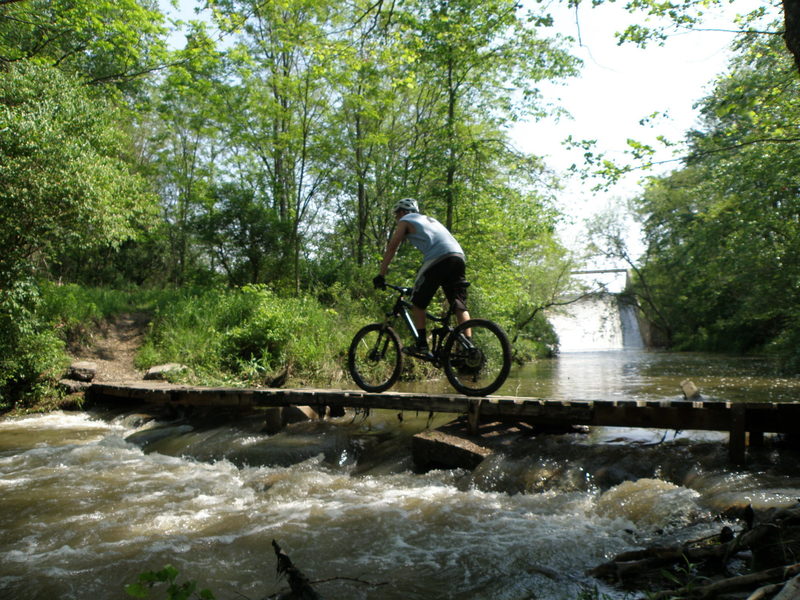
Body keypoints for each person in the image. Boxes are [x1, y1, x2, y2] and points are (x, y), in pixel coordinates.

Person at [373, 197, 471, 358]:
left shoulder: (406, 220)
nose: (397, 218)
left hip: (439, 258)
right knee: (459, 305)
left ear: (403, 212)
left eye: (397, 215)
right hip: (458, 257)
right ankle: (468, 347)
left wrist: (381, 275)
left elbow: (392, 247)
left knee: (417, 303)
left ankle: (422, 345)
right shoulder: (430, 220)